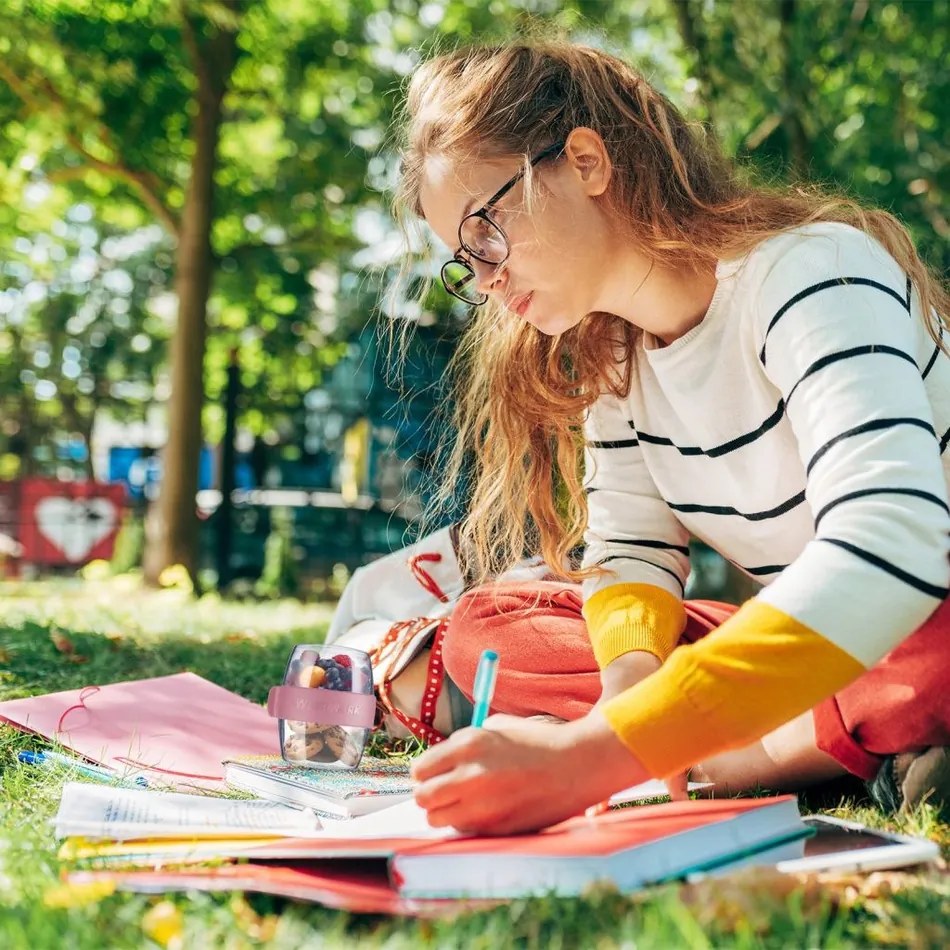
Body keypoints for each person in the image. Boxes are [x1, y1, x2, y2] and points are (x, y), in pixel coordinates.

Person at [393, 41, 950, 835]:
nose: (483, 279)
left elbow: (892, 546)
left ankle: (782, 747)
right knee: (495, 624)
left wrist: (598, 753)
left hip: (919, 603)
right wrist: (629, 691)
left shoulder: (811, 272)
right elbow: (630, 559)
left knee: (931, 648)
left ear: (585, 161)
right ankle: (851, 742)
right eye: (462, 260)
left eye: (484, 231)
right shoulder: (616, 361)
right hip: (850, 645)